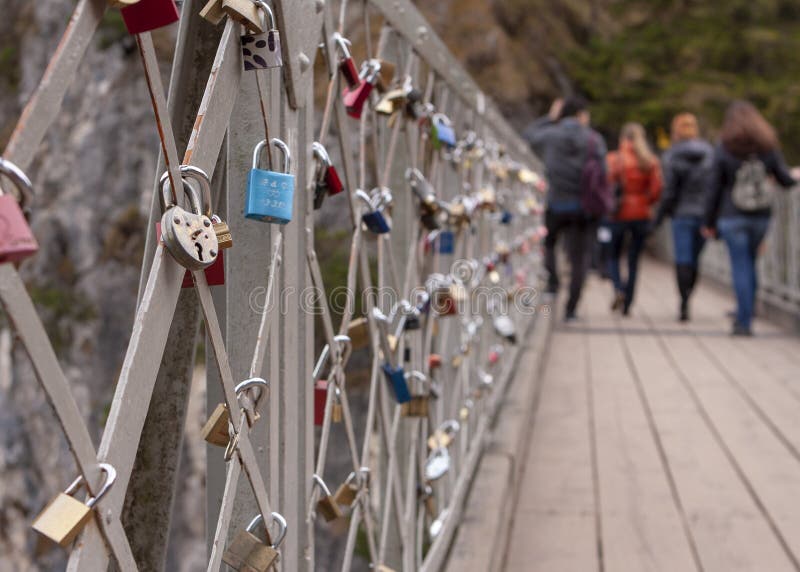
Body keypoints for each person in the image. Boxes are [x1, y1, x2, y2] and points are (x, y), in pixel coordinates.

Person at [703, 100, 798, 336]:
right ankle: (749, 312)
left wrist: (708, 221)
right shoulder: (768, 147)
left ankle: (743, 321)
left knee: (740, 266)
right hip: (760, 217)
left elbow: (714, 187)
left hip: (731, 215)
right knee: (751, 265)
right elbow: (785, 180)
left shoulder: (724, 147)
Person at [523, 96, 608, 320]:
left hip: (556, 201)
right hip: (583, 206)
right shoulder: (594, 138)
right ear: (581, 115)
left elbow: (528, 137)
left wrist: (549, 118)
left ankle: (553, 282)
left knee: (548, 244)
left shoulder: (551, 134)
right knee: (579, 257)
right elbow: (602, 172)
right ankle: (571, 309)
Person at [655, 113, 714, 321]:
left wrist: (660, 216)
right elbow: (713, 187)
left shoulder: (672, 155)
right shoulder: (709, 153)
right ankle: (689, 293)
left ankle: (683, 301)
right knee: (695, 259)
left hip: (682, 214)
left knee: (683, 258)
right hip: (704, 213)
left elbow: (669, 190)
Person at [605, 123, 662, 315]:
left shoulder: (614, 159)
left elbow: (606, 184)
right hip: (641, 213)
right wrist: (645, 201)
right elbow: (656, 189)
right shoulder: (649, 160)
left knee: (613, 255)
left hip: (618, 213)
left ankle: (618, 288)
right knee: (633, 259)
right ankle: (628, 301)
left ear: (623, 138)